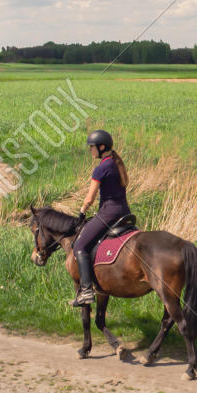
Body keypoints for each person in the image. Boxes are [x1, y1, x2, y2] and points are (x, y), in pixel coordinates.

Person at [70, 129, 132, 306]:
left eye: (92, 147)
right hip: (125, 212)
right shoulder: (115, 163)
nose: (91, 150)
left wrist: (82, 212)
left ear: (101, 146)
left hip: (108, 214)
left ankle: (86, 291)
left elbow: (90, 198)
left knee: (80, 246)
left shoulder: (101, 168)